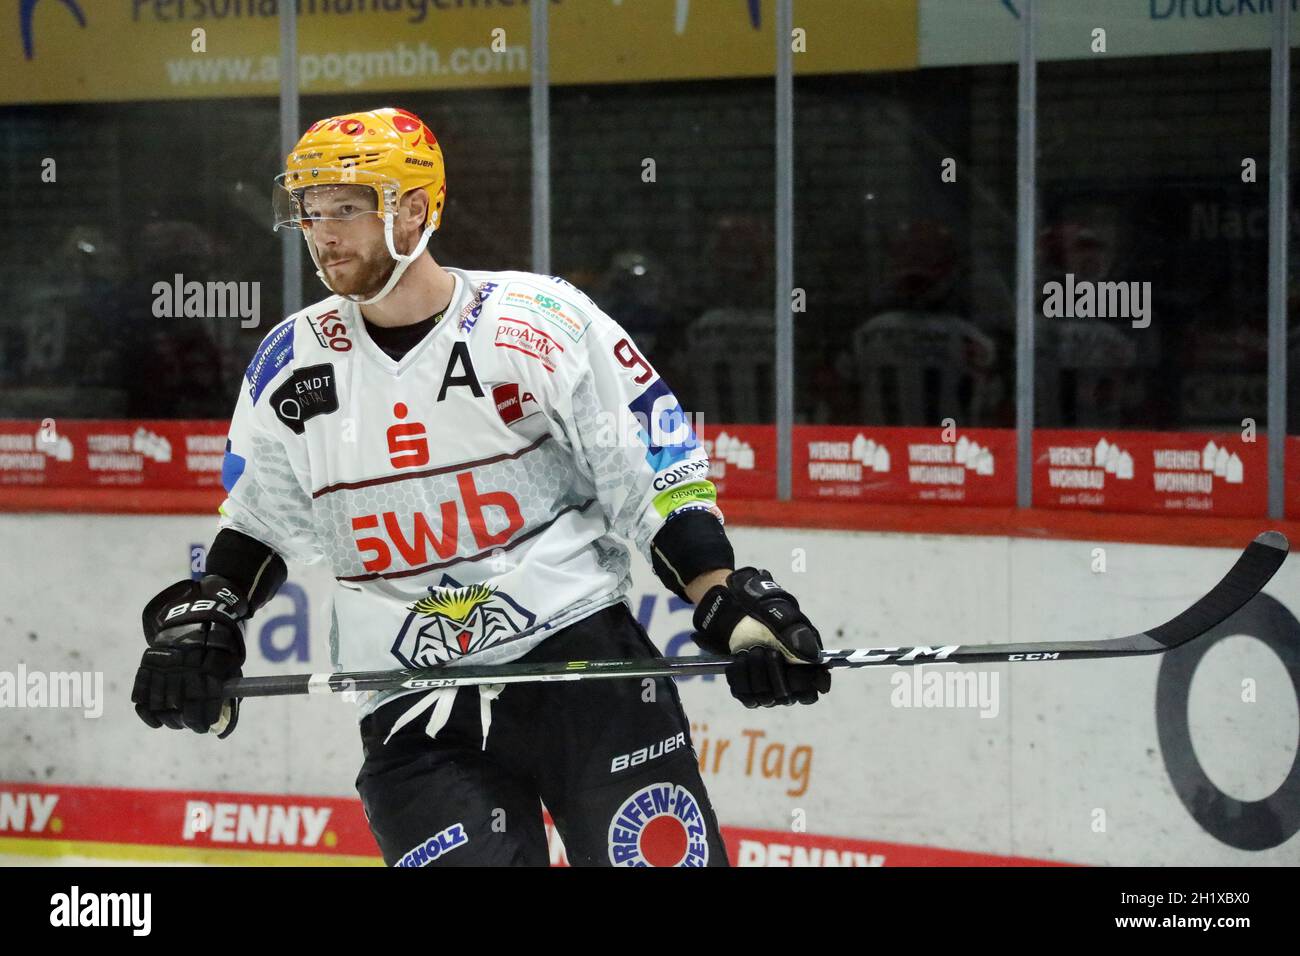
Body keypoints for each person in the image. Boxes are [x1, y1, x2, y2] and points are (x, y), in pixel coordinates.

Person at [130, 107, 831, 867]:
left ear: (415, 209)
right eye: (309, 210)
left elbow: (651, 469)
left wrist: (724, 599)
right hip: (411, 699)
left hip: (583, 666)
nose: (323, 232)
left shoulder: (537, 323)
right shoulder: (291, 363)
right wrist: (211, 618)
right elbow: (261, 522)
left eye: (346, 209)